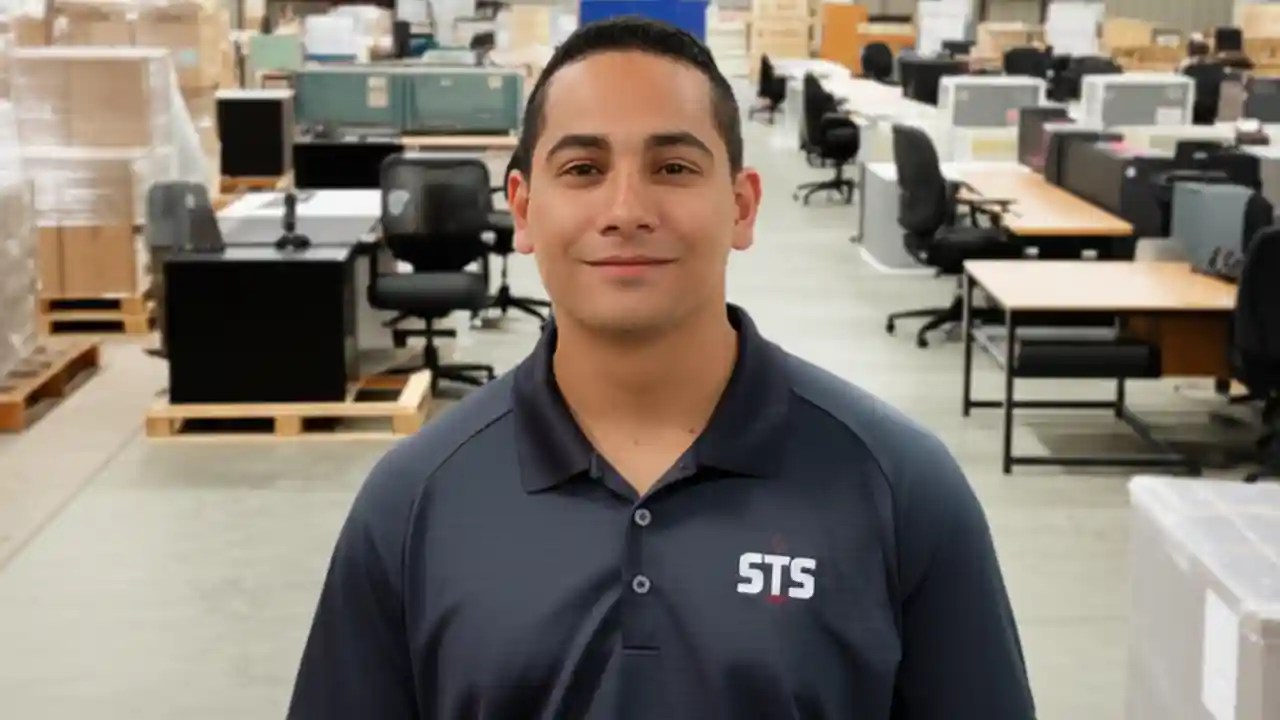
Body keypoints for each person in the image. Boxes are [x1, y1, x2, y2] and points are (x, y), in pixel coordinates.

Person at [287, 16, 1036, 720]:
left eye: (673, 166)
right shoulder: (415, 502)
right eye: (582, 168)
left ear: (741, 207)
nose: (626, 208)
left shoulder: (900, 488)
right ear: (522, 210)